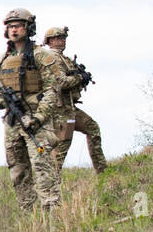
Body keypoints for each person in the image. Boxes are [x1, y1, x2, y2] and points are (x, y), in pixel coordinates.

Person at [0, 8, 69, 210]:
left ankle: (52, 212)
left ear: (28, 28)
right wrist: (0, 100)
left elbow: (53, 89)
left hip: (36, 122)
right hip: (12, 121)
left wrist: (40, 117)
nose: (14, 30)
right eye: (10, 26)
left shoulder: (41, 55)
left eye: (18, 26)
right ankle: (27, 212)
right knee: (17, 169)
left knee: (42, 167)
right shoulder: (3, 60)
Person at [42, 26, 106, 174]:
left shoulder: (63, 58)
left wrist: (82, 78)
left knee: (93, 128)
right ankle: (52, 185)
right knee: (61, 148)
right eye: (58, 38)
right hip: (60, 110)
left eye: (63, 37)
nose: (62, 40)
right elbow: (61, 83)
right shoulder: (51, 58)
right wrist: (78, 78)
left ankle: (103, 172)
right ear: (50, 41)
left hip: (69, 108)